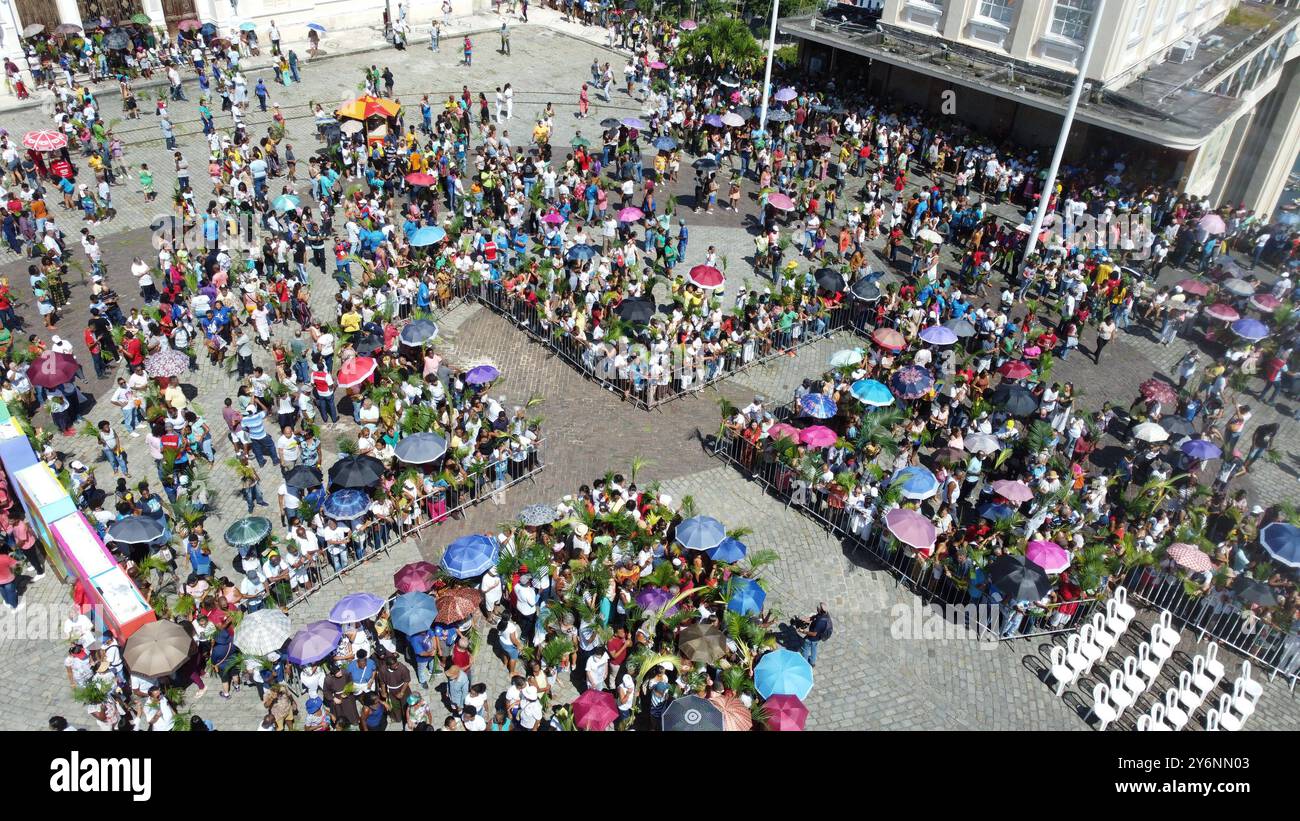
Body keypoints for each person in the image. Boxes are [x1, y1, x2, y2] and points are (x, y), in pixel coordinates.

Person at [799, 603, 832, 667]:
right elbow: (816, 616)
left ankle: (804, 664)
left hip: (811, 638)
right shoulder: (825, 615)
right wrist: (808, 619)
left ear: (820, 610)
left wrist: (803, 631)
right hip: (818, 638)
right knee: (814, 649)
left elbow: (813, 634)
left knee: (805, 649)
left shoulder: (820, 622)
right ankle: (812, 662)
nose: (817, 610)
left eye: (817, 609)